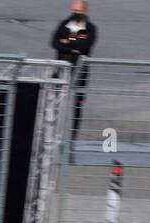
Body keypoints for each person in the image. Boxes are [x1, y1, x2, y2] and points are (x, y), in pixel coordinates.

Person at [51, 1, 97, 142]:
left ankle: (72, 138)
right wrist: (73, 48)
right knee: (54, 103)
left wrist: (67, 43)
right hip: (61, 71)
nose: (75, 12)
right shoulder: (64, 24)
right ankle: (52, 135)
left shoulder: (90, 28)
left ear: (85, 11)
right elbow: (54, 42)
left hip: (80, 74)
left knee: (77, 106)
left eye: (79, 10)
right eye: (73, 9)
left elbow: (85, 45)